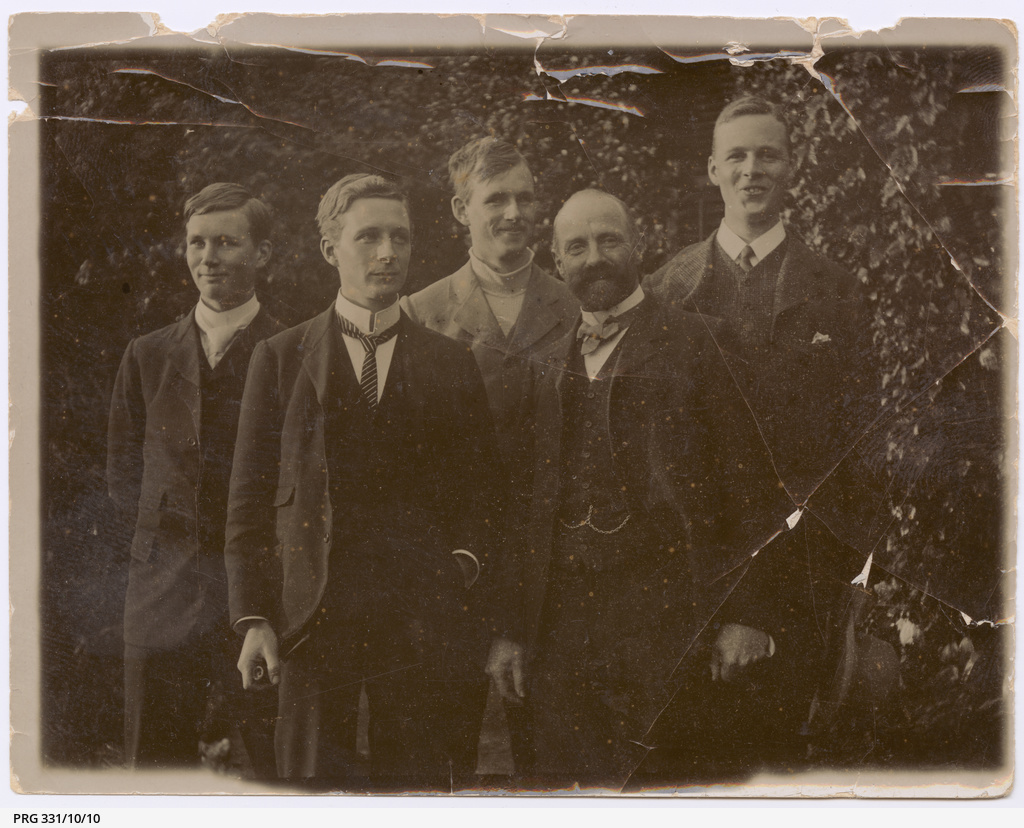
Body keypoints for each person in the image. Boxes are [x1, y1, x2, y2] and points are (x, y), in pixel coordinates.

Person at [486, 189, 786, 787]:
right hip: (563, 630)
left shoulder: (705, 341)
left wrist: (747, 615)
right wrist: (512, 628)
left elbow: (752, 487)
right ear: (556, 258)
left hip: (668, 621)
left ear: (639, 245)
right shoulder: (542, 359)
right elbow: (521, 508)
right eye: (577, 246)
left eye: (608, 240)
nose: (594, 257)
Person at [224, 173, 504, 789]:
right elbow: (247, 501)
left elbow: (482, 491)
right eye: (369, 237)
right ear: (331, 249)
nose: (387, 253)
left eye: (399, 238)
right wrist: (253, 620)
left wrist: (460, 565)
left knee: (418, 782)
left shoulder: (449, 361)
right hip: (311, 619)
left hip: (419, 617)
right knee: (311, 786)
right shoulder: (279, 357)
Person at [639, 96, 875, 780]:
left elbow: (856, 451)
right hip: (687, 582)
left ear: (792, 168)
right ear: (712, 170)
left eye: (767, 154)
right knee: (683, 775)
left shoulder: (836, 290)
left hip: (797, 584)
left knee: (774, 776)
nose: (752, 170)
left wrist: (835, 584)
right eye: (736, 157)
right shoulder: (667, 289)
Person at [403, 136, 579, 773]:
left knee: (551, 764)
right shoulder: (416, 314)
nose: (512, 212)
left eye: (524, 198)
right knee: (438, 760)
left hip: (554, 572)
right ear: (459, 210)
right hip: (457, 569)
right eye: (494, 199)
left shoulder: (577, 306)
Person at [107, 183, 283, 774]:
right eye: (197, 243)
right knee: (152, 769)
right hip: (162, 594)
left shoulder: (294, 351)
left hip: (262, 598)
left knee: (273, 769)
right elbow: (123, 479)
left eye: (228, 242)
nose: (208, 257)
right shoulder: (148, 355)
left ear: (261, 254)